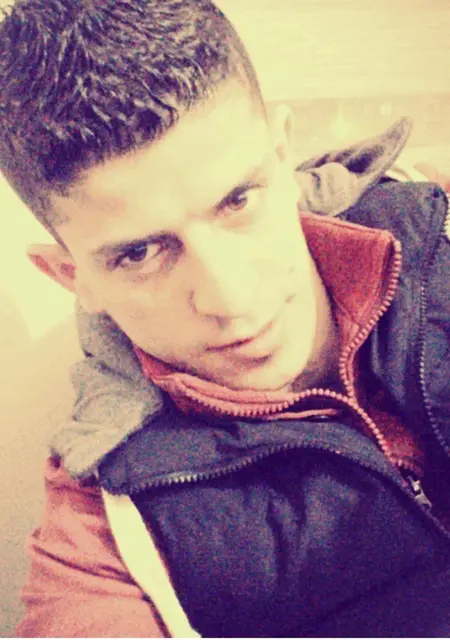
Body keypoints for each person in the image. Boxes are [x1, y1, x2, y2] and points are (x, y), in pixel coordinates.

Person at [1, 0, 450, 637]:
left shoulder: (436, 230)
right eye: (140, 253)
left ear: (282, 154)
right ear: (73, 278)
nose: (232, 298)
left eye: (238, 200)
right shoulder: (109, 535)